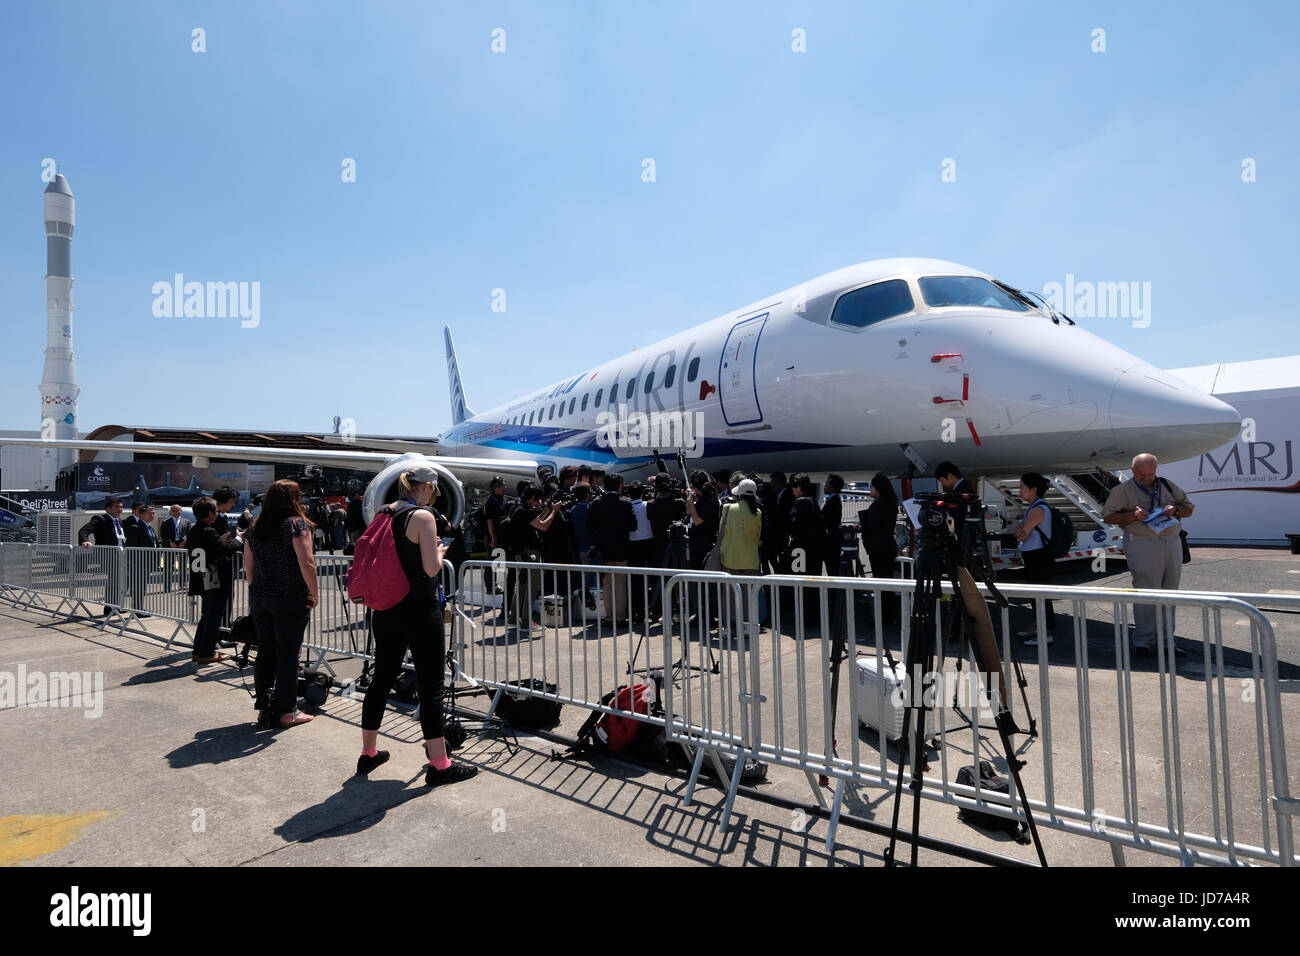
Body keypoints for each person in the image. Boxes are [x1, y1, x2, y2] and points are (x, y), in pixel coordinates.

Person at [357, 465, 478, 786]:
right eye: (433, 492)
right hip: (419, 610)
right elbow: (430, 568)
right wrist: (439, 551)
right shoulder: (422, 518)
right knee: (431, 686)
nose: (433, 498)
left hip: (385, 610)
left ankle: (368, 753)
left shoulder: (383, 515)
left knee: (380, 679)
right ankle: (439, 764)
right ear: (424, 488)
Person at [1102, 453, 1194, 657]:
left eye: (1151, 474)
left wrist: (1175, 509)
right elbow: (1108, 516)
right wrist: (1132, 515)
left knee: (1170, 591)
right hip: (1142, 542)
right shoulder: (1122, 490)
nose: (1147, 478)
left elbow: (1189, 509)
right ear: (1133, 471)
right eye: (1142, 475)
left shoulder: (1167, 485)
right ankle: (1143, 641)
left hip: (1171, 541)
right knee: (1146, 590)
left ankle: (1167, 641)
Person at [244, 481, 317, 726]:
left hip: (260, 596)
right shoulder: (297, 524)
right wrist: (314, 593)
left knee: (265, 651)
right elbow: (307, 562)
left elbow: (249, 565)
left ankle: (265, 707)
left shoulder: (255, 526)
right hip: (289, 596)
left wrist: (255, 589)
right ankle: (287, 710)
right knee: (288, 654)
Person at [189, 495, 244, 666]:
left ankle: (199, 650)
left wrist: (220, 541)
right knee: (213, 617)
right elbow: (225, 550)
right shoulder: (208, 531)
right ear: (211, 513)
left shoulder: (194, 530)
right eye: (215, 510)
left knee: (206, 616)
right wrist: (238, 539)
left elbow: (212, 548)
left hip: (201, 578)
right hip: (215, 580)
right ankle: (207, 652)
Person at [1013, 472, 1057, 645]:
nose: (1019, 491)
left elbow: (1022, 534)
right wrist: (1020, 529)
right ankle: (1036, 627)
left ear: (1034, 489)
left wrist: (1018, 530)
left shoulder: (1038, 509)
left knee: (1040, 595)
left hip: (1038, 556)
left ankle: (1045, 634)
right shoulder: (1034, 507)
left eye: (1022, 488)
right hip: (1035, 554)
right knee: (1035, 594)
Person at [586, 474, 636, 624]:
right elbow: (633, 526)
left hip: (603, 549)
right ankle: (620, 617)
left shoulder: (596, 503)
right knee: (620, 583)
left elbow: (589, 525)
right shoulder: (626, 503)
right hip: (621, 548)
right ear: (620, 485)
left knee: (607, 584)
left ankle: (609, 617)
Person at [719, 478, 764, 628]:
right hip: (750, 559)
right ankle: (746, 626)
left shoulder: (728, 508)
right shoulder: (757, 512)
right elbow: (757, 536)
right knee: (748, 597)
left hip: (730, 557)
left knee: (730, 596)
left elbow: (721, 531)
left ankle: (729, 626)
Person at [859, 473, 901, 621]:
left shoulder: (879, 505)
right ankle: (888, 613)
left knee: (881, 581)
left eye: (871, 486)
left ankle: (884, 615)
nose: (870, 489)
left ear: (878, 488)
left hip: (879, 548)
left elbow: (873, 526)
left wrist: (861, 527)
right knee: (887, 581)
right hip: (888, 545)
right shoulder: (890, 503)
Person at [78, 497, 127, 614]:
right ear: (108, 509)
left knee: (120, 581)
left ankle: (116, 605)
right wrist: (85, 541)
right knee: (114, 581)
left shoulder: (119, 521)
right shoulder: (100, 519)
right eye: (117, 507)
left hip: (121, 555)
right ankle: (109, 607)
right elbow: (83, 530)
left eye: (121, 507)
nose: (120, 509)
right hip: (109, 554)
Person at [124, 503, 159, 615]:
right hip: (139, 562)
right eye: (150, 513)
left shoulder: (149, 527)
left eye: (153, 513)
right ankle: (137, 609)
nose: (152, 515)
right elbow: (130, 545)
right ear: (141, 515)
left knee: (142, 586)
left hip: (147, 562)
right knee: (138, 586)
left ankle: (138, 608)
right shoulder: (136, 527)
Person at [160, 504, 191, 592]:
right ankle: (167, 587)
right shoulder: (165, 522)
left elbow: (188, 534)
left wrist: (184, 541)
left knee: (183, 567)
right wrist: (170, 542)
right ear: (170, 512)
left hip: (182, 547)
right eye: (173, 510)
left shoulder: (186, 521)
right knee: (168, 567)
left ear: (181, 511)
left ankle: (183, 585)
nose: (176, 512)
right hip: (170, 547)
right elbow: (163, 535)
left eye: (178, 510)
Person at [821, 474, 845, 576]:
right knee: (832, 570)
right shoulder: (833, 500)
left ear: (832, 487)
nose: (824, 486)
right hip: (832, 543)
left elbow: (826, 520)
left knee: (832, 571)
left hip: (831, 543)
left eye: (826, 484)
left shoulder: (833, 502)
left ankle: (834, 591)